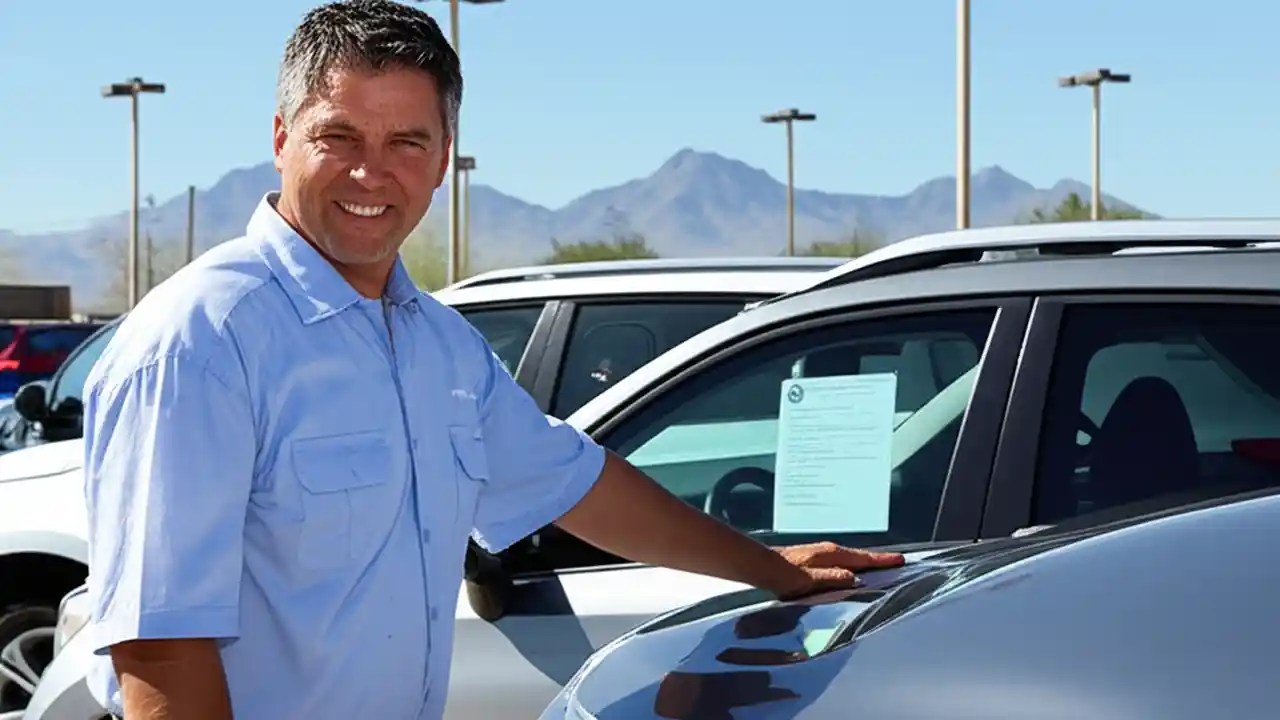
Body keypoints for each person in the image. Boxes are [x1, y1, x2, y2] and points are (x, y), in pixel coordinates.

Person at [80, 1, 905, 718]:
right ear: (280, 139)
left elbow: (573, 481)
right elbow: (160, 644)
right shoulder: (201, 340)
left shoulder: (436, 343)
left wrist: (766, 567)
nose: (373, 171)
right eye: (339, 136)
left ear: (443, 160)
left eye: (407, 141)